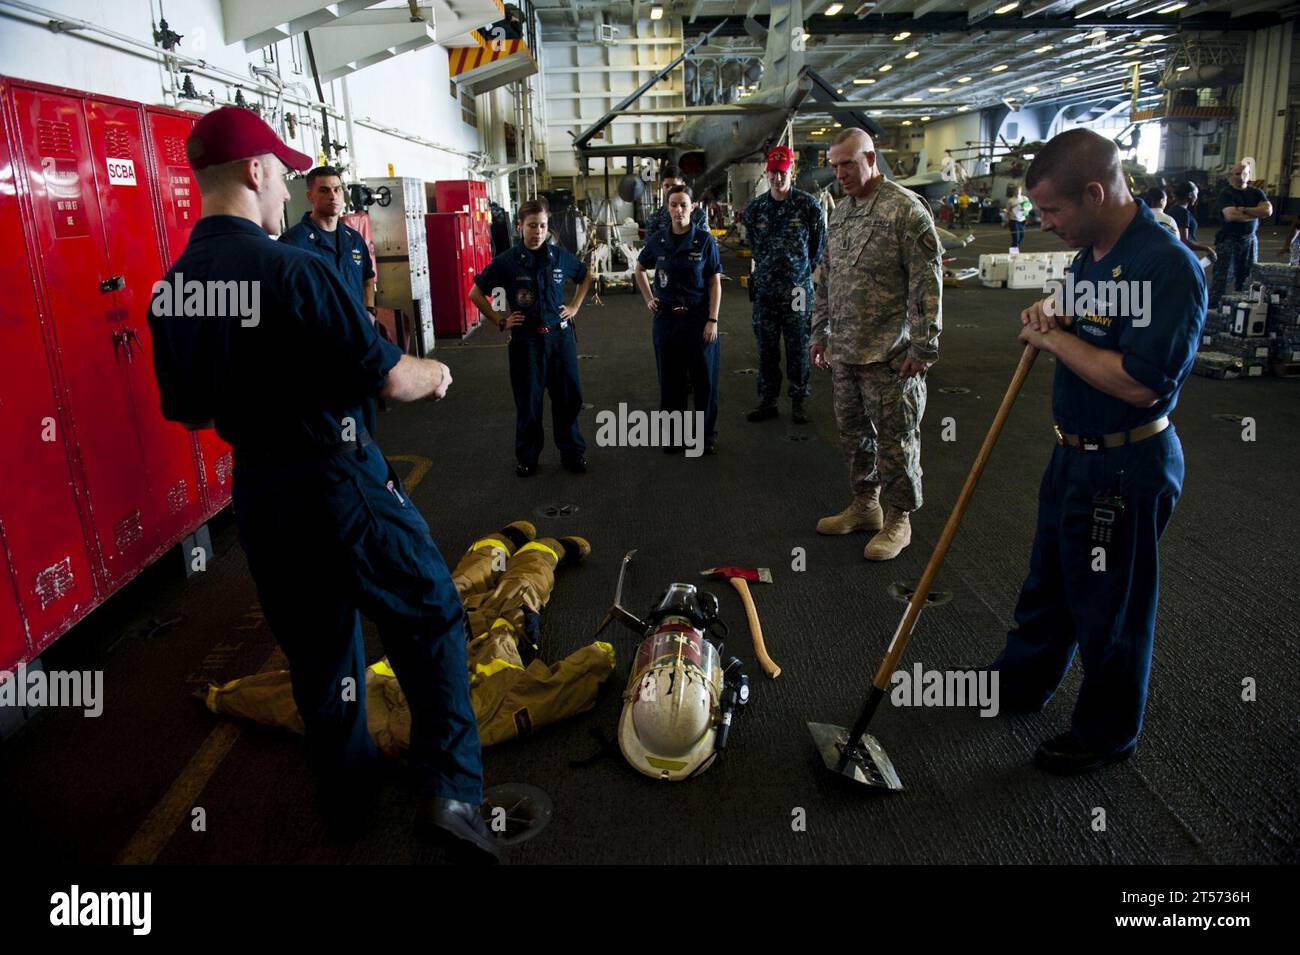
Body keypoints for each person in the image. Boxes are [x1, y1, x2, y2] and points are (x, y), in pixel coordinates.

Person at [146, 107, 497, 859]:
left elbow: (188, 407)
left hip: (263, 499)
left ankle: (347, 799)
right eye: (282, 173)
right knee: (430, 612)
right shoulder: (294, 269)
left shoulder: (171, 290)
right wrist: (434, 372)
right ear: (253, 173)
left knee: (319, 653)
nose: (286, 190)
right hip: (339, 478)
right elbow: (390, 379)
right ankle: (455, 796)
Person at [990, 128, 1206, 775]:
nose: (1046, 224)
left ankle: (1107, 731)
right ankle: (1021, 683)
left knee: (1110, 605)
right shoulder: (1093, 253)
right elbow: (1084, 315)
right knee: (1048, 583)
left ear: (1094, 192)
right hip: (1074, 458)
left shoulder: (1165, 266)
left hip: (1124, 464)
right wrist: (1053, 314)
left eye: (1053, 212)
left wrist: (1055, 344)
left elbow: (1142, 382)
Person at [811, 128, 942, 561]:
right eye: (834, 165)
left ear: (871, 158)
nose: (839, 173)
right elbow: (826, 279)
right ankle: (866, 505)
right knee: (853, 436)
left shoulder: (905, 210)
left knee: (896, 438)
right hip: (845, 352)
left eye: (847, 163)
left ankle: (899, 517)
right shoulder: (842, 213)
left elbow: (928, 283)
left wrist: (923, 347)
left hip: (890, 355)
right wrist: (819, 333)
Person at [469, 198, 595, 477]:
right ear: (519, 226)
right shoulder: (507, 262)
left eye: (542, 225)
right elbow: (476, 294)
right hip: (527, 343)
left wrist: (574, 306)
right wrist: (500, 320)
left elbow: (586, 276)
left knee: (567, 399)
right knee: (529, 402)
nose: (538, 231)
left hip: (560, 341)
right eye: (531, 226)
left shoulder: (560, 256)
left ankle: (572, 452)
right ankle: (527, 457)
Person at [280, 164, 381, 434]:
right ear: (310, 196)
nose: (333, 196)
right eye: (324, 190)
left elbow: (368, 277)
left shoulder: (352, 238)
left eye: (337, 189)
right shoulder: (293, 243)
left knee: (366, 425)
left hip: (358, 344)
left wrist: (369, 310)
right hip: (320, 353)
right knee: (332, 432)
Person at [635, 184, 723, 455]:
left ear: (692, 206)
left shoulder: (705, 241)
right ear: (667, 207)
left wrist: (713, 319)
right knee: (670, 381)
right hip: (667, 321)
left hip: (698, 319)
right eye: (673, 204)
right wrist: (649, 298)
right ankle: (674, 436)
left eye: (684, 204)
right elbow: (639, 268)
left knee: (703, 380)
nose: (678, 210)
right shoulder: (658, 240)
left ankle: (704, 436)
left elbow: (715, 282)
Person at [743, 145, 827, 425]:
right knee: (766, 349)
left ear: (791, 171)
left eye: (782, 173)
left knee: (798, 347)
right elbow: (754, 246)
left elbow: (817, 248)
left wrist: (799, 271)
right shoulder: (755, 209)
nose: (777, 179)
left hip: (798, 291)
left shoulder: (808, 207)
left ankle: (799, 400)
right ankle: (768, 401)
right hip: (765, 291)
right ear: (766, 173)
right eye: (773, 173)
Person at [1210, 158, 1273, 306]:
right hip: (1229, 241)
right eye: (1237, 174)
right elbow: (1231, 216)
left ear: (1249, 174)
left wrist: (1243, 209)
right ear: (1232, 175)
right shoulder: (1227, 193)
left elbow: (1268, 211)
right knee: (1222, 279)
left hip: (1250, 241)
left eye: (1244, 173)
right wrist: (1255, 213)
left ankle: (1242, 311)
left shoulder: (1257, 193)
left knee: (1248, 280)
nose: (1240, 177)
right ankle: (1213, 313)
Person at [644, 163, 709, 238]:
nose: (670, 189)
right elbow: (650, 246)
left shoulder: (698, 215)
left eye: (674, 185)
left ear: (683, 185)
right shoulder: (655, 218)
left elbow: (704, 242)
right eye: (667, 186)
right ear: (662, 187)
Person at [1167, 181, 1217, 265]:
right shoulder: (1183, 212)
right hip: (1183, 254)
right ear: (1190, 195)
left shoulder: (1173, 209)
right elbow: (1184, 240)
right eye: (1196, 193)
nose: (1197, 197)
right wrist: (1207, 249)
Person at [1007, 184, 1033, 252]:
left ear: (1021, 191)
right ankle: (1013, 254)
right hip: (1013, 221)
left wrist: (1026, 209)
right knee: (1016, 239)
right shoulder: (1011, 200)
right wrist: (1006, 219)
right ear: (1014, 191)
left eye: (1019, 190)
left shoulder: (1025, 198)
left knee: (1022, 238)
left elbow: (1030, 207)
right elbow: (1007, 210)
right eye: (1016, 190)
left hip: (1022, 221)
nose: (1017, 192)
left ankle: (1015, 249)